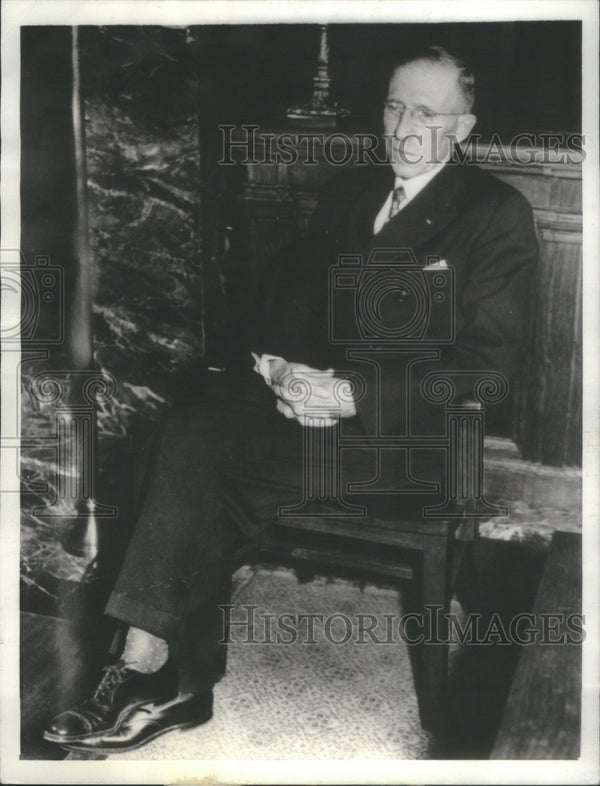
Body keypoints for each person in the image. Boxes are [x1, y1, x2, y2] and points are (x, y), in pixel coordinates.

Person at [44, 45, 538, 753]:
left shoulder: (495, 213)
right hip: (305, 415)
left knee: (194, 460)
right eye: (394, 107)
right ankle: (160, 672)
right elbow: (290, 305)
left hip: (409, 443)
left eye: (426, 114)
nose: (403, 128)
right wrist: (280, 369)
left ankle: (154, 672)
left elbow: (488, 369)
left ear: (462, 129)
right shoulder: (353, 192)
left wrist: (351, 395)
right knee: (184, 429)